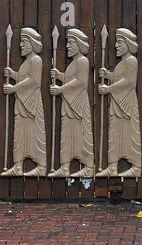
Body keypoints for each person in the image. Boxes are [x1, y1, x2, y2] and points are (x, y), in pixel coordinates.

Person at [49, 29, 94, 178]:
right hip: (69, 103)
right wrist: (60, 76)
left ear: (79, 44)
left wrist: (60, 89)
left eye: (71, 43)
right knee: (67, 134)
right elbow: (71, 79)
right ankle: (65, 167)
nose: (68, 46)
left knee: (82, 134)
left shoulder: (83, 61)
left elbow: (80, 82)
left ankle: (88, 166)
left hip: (78, 104)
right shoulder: (75, 62)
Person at [96, 28, 142, 178]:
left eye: (119, 42)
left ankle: (136, 166)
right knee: (115, 134)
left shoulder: (131, 60)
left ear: (128, 44)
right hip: (117, 103)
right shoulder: (123, 62)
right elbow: (120, 78)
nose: (116, 45)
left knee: (130, 134)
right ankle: (112, 166)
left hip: (126, 103)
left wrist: (109, 88)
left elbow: (129, 82)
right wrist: (109, 75)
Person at [2, 28, 47, 177]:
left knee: (35, 134)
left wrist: (14, 88)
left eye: (24, 41)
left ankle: (41, 166)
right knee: (20, 133)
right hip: (22, 102)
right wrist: (14, 74)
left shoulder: (36, 60)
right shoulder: (28, 61)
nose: (21, 45)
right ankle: (17, 166)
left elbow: (34, 81)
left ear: (32, 43)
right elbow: (24, 78)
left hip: (31, 103)